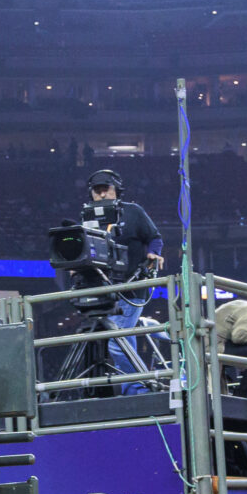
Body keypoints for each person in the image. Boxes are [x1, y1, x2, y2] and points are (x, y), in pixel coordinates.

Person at [83, 169, 164, 396]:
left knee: (117, 342)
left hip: (131, 285)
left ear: (116, 190)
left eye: (105, 189)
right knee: (121, 336)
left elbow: (155, 237)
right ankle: (154, 331)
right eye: (96, 191)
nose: (101, 195)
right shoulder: (88, 217)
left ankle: (137, 389)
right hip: (101, 289)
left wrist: (152, 254)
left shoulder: (132, 212)